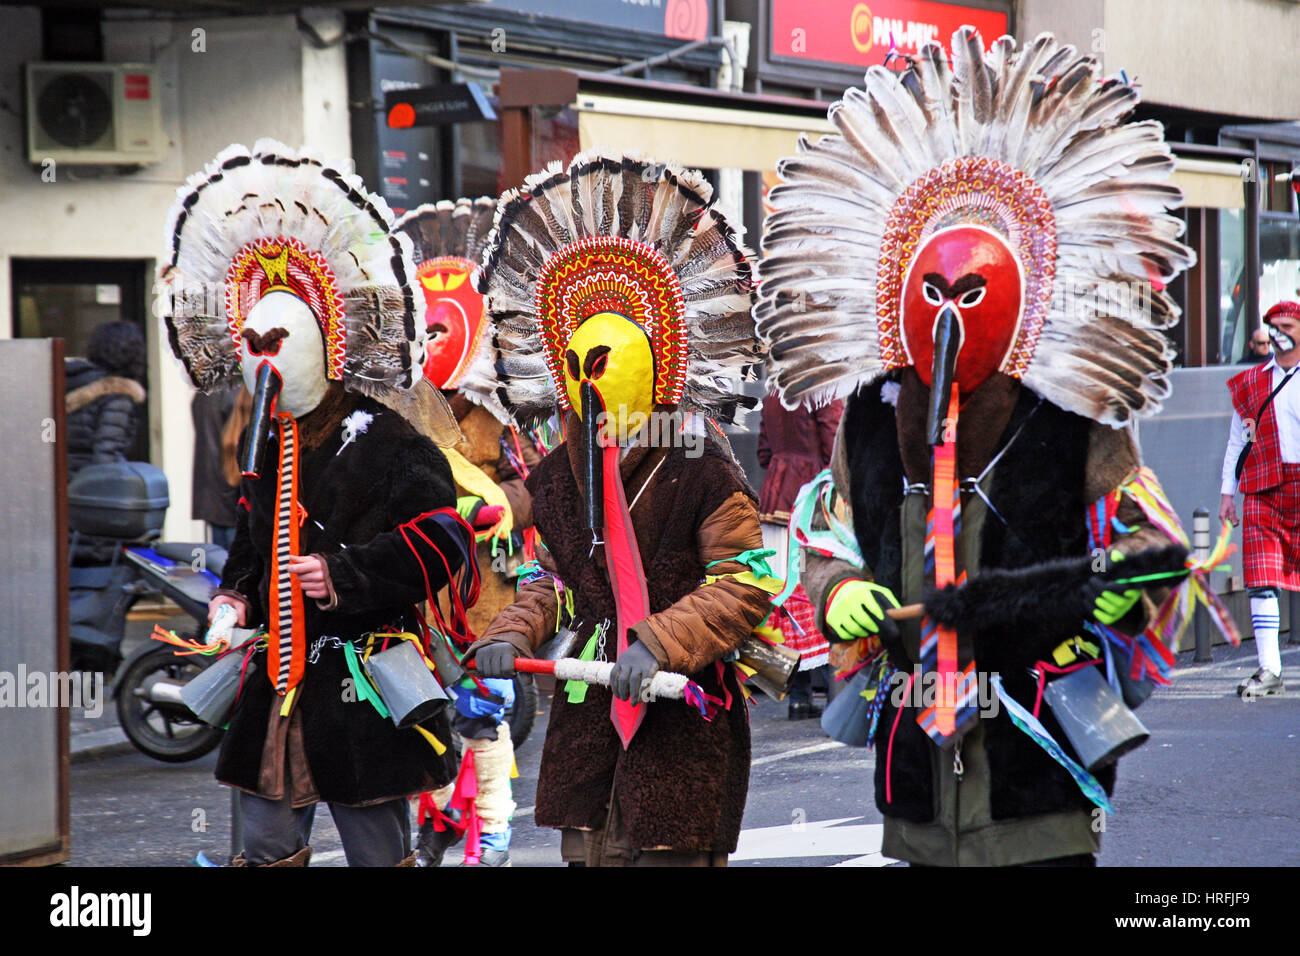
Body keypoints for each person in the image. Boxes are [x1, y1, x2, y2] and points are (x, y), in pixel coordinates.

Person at [756, 29, 1226, 866]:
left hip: (1036, 778)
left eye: (969, 294)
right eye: (930, 293)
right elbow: (822, 541)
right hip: (916, 787)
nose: (947, 317)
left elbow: (1150, 547)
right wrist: (836, 593)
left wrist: (1126, 592)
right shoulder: (871, 418)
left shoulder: (1072, 417)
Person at [159, 140, 474, 867]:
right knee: (265, 845)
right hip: (275, 677)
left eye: (277, 342)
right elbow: (249, 544)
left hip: (361, 679)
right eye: (252, 343)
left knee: (375, 847)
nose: (260, 359)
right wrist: (234, 600)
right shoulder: (267, 445)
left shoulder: (393, 440)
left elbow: (444, 538)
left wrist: (345, 574)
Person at [470, 150, 772, 867]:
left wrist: (661, 641)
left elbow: (746, 578)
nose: (583, 384)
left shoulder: (698, 459)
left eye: (599, 365)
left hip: (678, 720)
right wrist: (512, 633)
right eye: (571, 368)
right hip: (588, 720)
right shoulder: (558, 475)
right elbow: (552, 580)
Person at [391, 197, 541, 867]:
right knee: (417, 708)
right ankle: (440, 821)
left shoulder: (502, 405)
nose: (433, 344)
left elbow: (543, 484)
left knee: (483, 711)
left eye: (445, 331)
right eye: (425, 331)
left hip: (487, 588)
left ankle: (494, 832)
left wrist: (499, 505)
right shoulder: (397, 402)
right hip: (417, 579)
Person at [1219, 300, 1300, 697]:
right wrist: (1226, 495)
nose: (1279, 331)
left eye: (1287, 324)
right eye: (1273, 325)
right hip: (1264, 486)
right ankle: (1270, 668)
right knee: (1261, 580)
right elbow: (1238, 441)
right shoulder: (1250, 383)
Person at [756, 392, 843, 718]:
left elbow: (764, 453)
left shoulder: (774, 392)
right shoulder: (823, 388)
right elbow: (835, 447)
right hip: (812, 499)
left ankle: (799, 696)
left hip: (774, 498)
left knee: (787, 595)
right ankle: (836, 692)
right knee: (822, 586)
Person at [65, 320, 146, 479]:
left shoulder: (72, 380)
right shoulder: (118, 396)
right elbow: (107, 457)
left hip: (59, 485)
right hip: (89, 489)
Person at [190, 386, 242, 549]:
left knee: (218, 560)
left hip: (212, 490)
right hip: (231, 490)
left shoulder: (204, 392)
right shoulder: (235, 391)